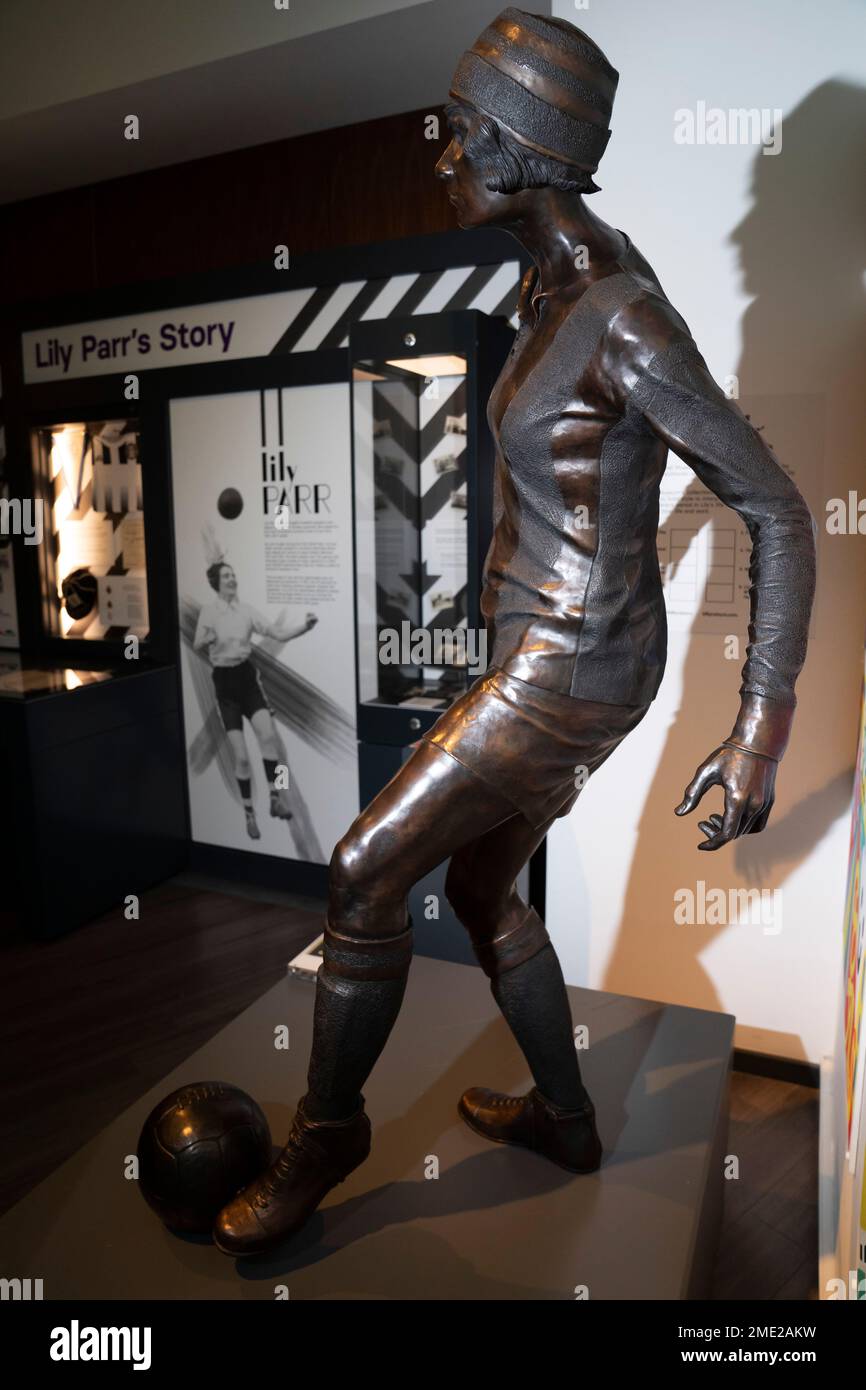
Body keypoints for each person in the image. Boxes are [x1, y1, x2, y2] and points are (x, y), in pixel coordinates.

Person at [213, 8, 816, 1257]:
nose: (441, 155)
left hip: (572, 667)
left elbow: (772, 506)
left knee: (363, 869)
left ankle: (328, 1134)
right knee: (483, 884)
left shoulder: (620, 313)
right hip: (540, 651)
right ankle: (566, 1114)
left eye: (463, 133)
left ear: (527, 154)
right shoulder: (549, 276)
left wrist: (757, 728)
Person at [194, 561, 317, 838]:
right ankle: (250, 813)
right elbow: (197, 644)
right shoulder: (209, 612)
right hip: (225, 684)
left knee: (268, 736)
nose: (232, 579)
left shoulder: (246, 612)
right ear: (216, 582)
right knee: (241, 757)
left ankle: (275, 798)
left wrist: (305, 627)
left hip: (247, 680)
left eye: (233, 574)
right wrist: (209, 637)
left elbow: (277, 632)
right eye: (226, 576)